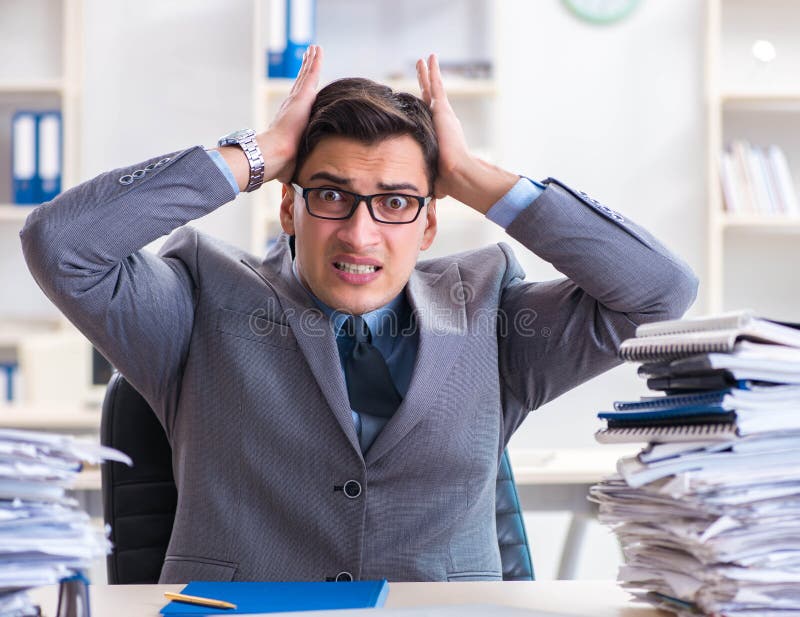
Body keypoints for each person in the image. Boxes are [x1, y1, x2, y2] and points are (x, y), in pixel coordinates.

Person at [20, 46, 697, 583]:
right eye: (330, 196)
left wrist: (473, 176)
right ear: (288, 208)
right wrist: (256, 156)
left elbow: (660, 291)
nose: (360, 234)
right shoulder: (195, 300)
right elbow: (59, 243)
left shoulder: (490, 310)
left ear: (430, 223)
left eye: (397, 202)